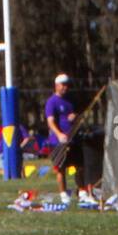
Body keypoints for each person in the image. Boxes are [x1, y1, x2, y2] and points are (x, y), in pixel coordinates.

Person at [45, 73, 79, 204]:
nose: (65, 87)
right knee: (61, 168)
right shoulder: (52, 102)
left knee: (78, 165)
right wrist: (59, 134)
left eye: (67, 85)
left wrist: (74, 117)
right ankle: (63, 193)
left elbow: (76, 115)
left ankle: (80, 191)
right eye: (63, 85)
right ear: (56, 86)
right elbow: (50, 121)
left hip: (72, 138)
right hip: (58, 141)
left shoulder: (70, 101)